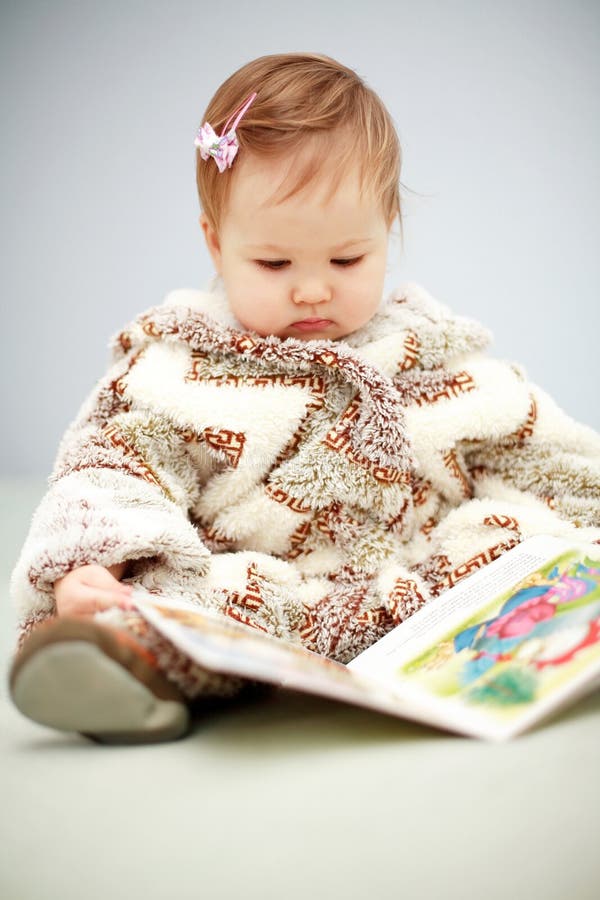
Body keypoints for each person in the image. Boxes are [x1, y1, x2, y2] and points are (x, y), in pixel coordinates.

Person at [8, 52, 600, 745]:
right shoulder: (181, 368)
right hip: (268, 597)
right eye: (274, 263)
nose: (313, 289)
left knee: (523, 543)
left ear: (389, 230)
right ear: (215, 242)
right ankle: (118, 666)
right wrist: (92, 566)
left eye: (347, 260)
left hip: (420, 590)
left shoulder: (427, 352)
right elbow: (115, 467)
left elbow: (537, 449)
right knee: (173, 601)